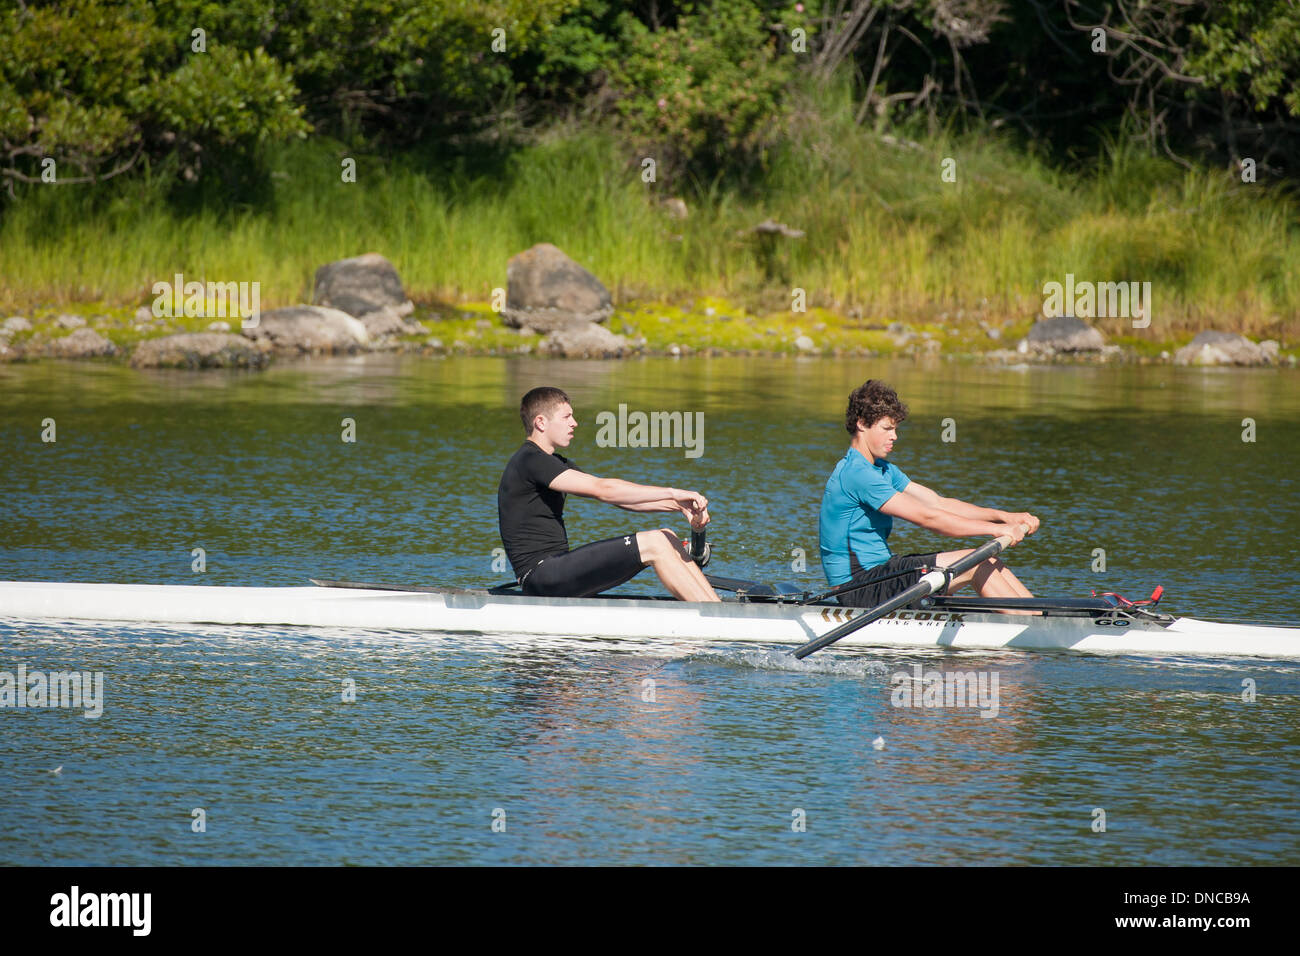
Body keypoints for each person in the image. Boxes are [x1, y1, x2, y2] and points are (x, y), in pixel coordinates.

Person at [819, 379, 1040, 608]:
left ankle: (1039, 618)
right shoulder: (856, 474)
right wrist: (996, 530)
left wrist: (1004, 517)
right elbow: (929, 519)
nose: (894, 436)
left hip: (882, 573)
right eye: (887, 429)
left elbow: (938, 504)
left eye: (895, 428)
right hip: (860, 588)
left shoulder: (883, 470)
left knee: (989, 560)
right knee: (976, 563)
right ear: (862, 424)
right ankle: (1035, 632)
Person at [498, 386, 720, 602]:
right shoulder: (530, 460)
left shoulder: (554, 463)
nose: (574, 423)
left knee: (667, 536)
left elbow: (623, 500)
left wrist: (679, 505)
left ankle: (714, 608)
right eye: (567, 417)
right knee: (655, 542)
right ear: (541, 422)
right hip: (541, 577)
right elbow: (604, 490)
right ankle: (713, 619)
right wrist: (673, 491)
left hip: (556, 571)